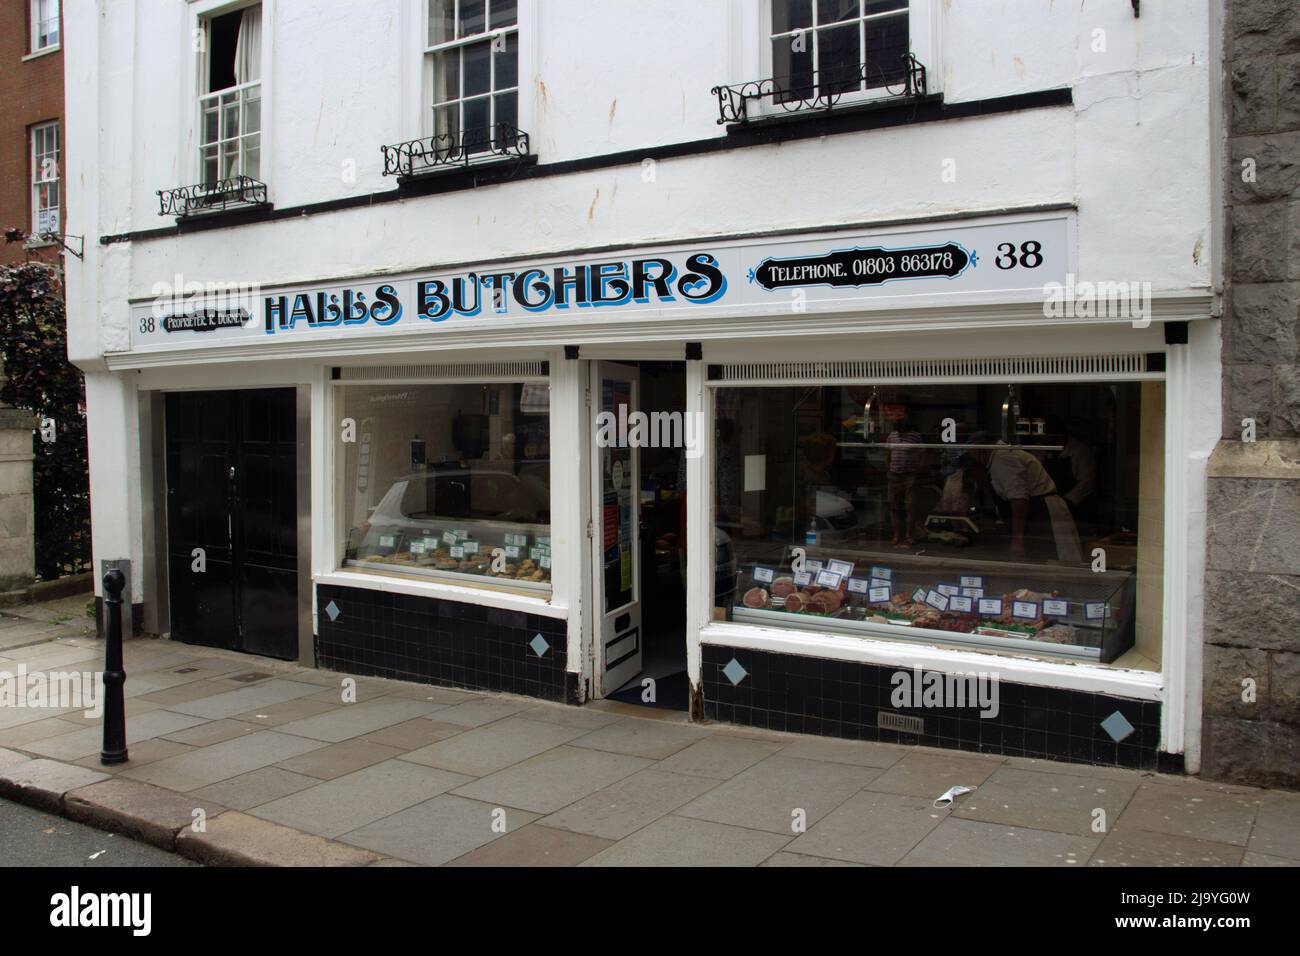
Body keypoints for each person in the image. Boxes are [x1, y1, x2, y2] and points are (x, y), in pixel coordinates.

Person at [968, 434, 1061, 561]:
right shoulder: (1000, 456)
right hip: (1035, 513)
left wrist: (1017, 540)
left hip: (1041, 514)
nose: (977, 462)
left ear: (982, 451)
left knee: (1046, 560)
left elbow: (1019, 498)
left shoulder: (1003, 458)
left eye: (975, 457)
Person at [885, 417, 924, 547]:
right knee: (893, 506)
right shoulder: (892, 436)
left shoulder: (915, 436)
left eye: (899, 423)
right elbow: (888, 453)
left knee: (910, 506)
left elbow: (922, 453)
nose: (897, 425)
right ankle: (896, 535)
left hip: (910, 475)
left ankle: (909, 535)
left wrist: (918, 469)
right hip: (894, 474)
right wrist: (889, 466)